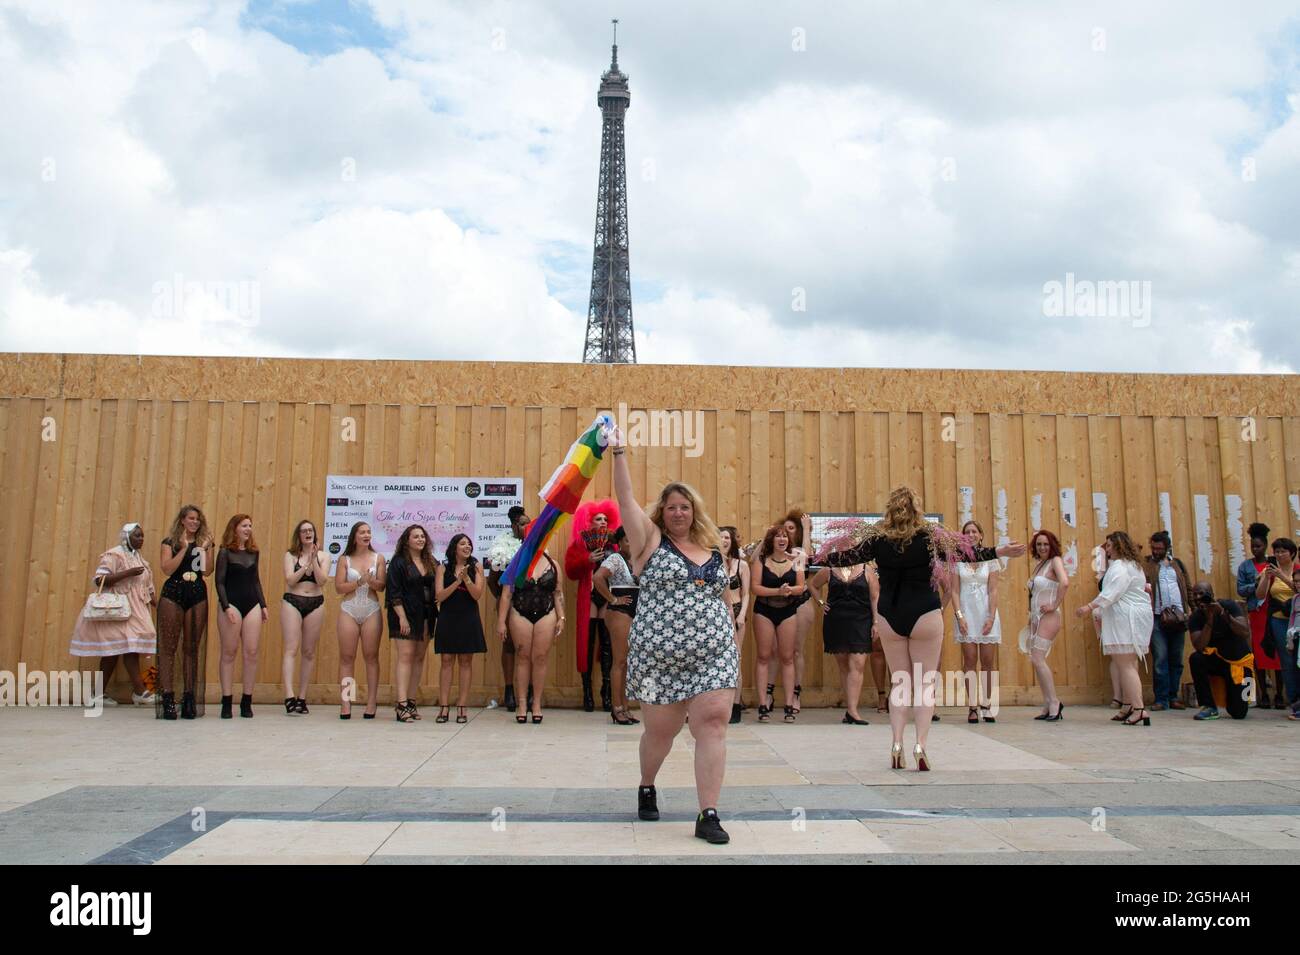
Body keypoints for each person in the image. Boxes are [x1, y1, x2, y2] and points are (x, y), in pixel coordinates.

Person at [820, 487, 1023, 770]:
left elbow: (845, 558)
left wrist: (805, 559)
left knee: (900, 682)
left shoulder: (877, 539)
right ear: (917, 508)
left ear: (890, 509)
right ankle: (920, 745)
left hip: (890, 615)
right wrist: (999, 550)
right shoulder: (929, 537)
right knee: (925, 684)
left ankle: (896, 743)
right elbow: (964, 554)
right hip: (925, 613)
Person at [612, 429, 737, 845]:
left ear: (694, 511)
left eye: (685, 507)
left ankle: (708, 813)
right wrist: (617, 452)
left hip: (713, 656)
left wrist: (731, 638)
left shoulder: (714, 551)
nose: (678, 513)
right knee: (660, 734)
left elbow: (724, 599)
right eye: (671, 507)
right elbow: (625, 501)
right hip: (659, 657)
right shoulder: (648, 543)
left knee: (713, 725)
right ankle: (647, 783)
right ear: (661, 513)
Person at [70, 523, 157, 707]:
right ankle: (136, 692)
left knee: (126, 649)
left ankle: (107, 693)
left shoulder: (141, 560)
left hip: (136, 609)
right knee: (117, 651)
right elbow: (100, 579)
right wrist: (127, 573)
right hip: (118, 609)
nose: (141, 539)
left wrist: (160, 605)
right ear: (126, 537)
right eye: (137, 536)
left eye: (142, 536)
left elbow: (147, 589)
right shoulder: (114, 555)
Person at [1075, 531, 1154, 726]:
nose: (1106, 549)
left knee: (1125, 664)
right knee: (1127, 663)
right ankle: (1128, 705)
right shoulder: (1132, 565)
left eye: (1109, 546)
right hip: (1132, 616)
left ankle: (1138, 708)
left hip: (1127, 618)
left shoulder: (1120, 567)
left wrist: (1089, 607)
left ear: (1118, 546)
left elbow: (1112, 592)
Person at [496, 536, 564, 724]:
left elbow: (557, 593)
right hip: (520, 612)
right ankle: (522, 704)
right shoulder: (516, 563)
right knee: (523, 656)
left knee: (540, 658)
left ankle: (537, 704)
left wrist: (562, 617)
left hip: (547, 613)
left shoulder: (553, 564)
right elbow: (506, 595)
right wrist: (501, 622)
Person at [156, 505, 213, 719]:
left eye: (198, 519)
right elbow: (167, 568)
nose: (195, 522)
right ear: (182, 520)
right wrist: (184, 548)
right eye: (191, 518)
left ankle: (189, 697)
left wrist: (206, 548)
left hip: (197, 591)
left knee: (191, 648)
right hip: (174, 591)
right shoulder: (169, 542)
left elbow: (207, 570)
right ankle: (168, 697)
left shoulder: (204, 543)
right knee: (169, 647)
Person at [808, 554, 879, 724]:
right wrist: (820, 602)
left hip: (862, 620)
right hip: (836, 620)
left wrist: (876, 622)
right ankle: (850, 709)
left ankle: (853, 711)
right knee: (843, 665)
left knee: (858, 663)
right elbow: (812, 585)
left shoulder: (867, 570)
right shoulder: (829, 570)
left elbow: (875, 597)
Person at [565, 500, 620, 712]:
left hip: (607, 595)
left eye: (606, 519)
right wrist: (587, 559)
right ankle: (586, 691)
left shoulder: (614, 545)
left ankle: (606, 691)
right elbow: (570, 571)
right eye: (598, 519)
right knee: (586, 644)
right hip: (588, 595)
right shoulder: (580, 544)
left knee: (607, 644)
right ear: (589, 523)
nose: (603, 522)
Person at [750, 525, 805, 723]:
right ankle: (763, 704)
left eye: (785, 536)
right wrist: (777, 592)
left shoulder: (796, 560)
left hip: (788, 610)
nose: (782, 539)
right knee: (764, 656)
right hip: (764, 609)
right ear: (771, 540)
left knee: (787, 657)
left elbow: (801, 586)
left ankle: (789, 704)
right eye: (778, 536)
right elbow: (755, 588)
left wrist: (789, 590)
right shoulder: (761, 560)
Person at [215, 514, 268, 719]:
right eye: (244, 525)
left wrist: (263, 605)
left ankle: (247, 699)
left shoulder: (254, 553)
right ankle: (227, 700)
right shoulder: (224, 552)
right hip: (231, 603)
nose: (248, 529)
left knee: (251, 652)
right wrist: (226, 606)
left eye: (250, 526)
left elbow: (256, 580)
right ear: (234, 528)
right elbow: (219, 582)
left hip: (252, 603)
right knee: (229, 652)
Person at [950, 520, 1001, 723]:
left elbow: (993, 589)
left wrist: (991, 616)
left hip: (986, 613)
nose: (970, 534)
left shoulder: (990, 559)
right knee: (970, 660)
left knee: (988, 662)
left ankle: (987, 704)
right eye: (967, 532)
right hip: (966, 613)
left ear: (981, 534)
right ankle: (972, 706)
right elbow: (954, 590)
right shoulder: (957, 559)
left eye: (974, 531)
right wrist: (959, 616)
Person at [433, 533, 487, 724]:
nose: (467, 547)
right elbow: (439, 596)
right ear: (454, 547)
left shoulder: (477, 567)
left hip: (468, 616)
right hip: (448, 616)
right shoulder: (442, 568)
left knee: (466, 660)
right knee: (446, 660)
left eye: (469, 544)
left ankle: (462, 706)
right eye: (462, 544)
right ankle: (444, 706)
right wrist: (457, 581)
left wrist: (467, 579)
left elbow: (477, 595)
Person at [334, 521, 385, 719]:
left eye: (368, 532)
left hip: (371, 608)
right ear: (354, 536)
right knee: (347, 657)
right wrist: (358, 582)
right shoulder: (344, 559)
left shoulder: (378, 558)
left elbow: (381, 586)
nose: (366, 535)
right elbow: (339, 587)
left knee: (371, 657)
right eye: (362, 532)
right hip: (349, 609)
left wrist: (371, 581)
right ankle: (346, 702)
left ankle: (371, 703)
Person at [386, 525, 437, 722]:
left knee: (419, 657)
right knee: (406, 656)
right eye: (415, 536)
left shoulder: (430, 561)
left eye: (423, 536)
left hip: (425, 615)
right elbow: (393, 592)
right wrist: (402, 617)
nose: (420, 539)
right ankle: (401, 704)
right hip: (404, 615)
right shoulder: (398, 562)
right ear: (406, 540)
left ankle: (411, 700)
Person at [1019, 530, 1069, 721]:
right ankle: (1048, 702)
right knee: (1035, 659)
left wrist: (1055, 604)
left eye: (1046, 544)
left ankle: (1055, 702)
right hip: (1036, 617)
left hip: (1049, 616)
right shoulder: (1040, 564)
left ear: (1052, 545)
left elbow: (1065, 583)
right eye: (1039, 544)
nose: (1042, 547)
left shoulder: (1055, 560)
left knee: (1038, 658)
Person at [1185, 582, 1253, 721]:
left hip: (1239, 663)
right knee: (1196, 658)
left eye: (1202, 594)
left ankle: (1234, 698)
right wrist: (1209, 620)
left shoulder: (1229, 606)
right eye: (1195, 594)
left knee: (1239, 713)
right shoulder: (1195, 617)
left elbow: (1245, 632)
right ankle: (1208, 706)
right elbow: (1199, 646)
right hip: (1218, 661)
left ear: (1211, 594)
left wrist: (1222, 614)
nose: (1198, 598)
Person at [281, 519, 328, 715]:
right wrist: (305, 564)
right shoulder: (290, 556)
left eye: (310, 530)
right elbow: (290, 580)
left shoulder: (324, 556)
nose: (308, 533)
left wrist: (314, 560)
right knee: (291, 648)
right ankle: (289, 695)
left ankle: (302, 696)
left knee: (308, 652)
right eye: (303, 531)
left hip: (315, 602)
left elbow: (322, 580)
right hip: (293, 600)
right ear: (298, 536)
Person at [592, 527, 639, 725]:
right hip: (620, 612)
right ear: (619, 542)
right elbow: (597, 578)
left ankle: (625, 706)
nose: (631, 544)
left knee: (627, 661)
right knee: (619, 661)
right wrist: (613, 598)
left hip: (636, 610)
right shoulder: (615, 559)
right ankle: (617, 708)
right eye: (628, 540)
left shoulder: (638, 560)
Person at [487, 506, 530, 712]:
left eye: (529, 523)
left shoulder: (535, 544)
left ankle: (528, 690)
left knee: (529, 647)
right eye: (523, 524)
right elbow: (493, 579)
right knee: (510, 646)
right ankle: (509, 690)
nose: (527, 526)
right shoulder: (501, 546)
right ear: (514, 526)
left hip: (532, 601)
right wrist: (504, 598)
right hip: (511, 601)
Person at [1143, 530, 1192, 711]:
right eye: (1154, 548)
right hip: (1157, 616)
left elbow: (1187, 586)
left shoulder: (1177, 564)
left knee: (1176, 658)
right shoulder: (1147, 564)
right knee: (1160, 658)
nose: (1156, 551)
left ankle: (1173, 696)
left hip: (1178, 616)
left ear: (1167, 548)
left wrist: (1191, 609)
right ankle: (1161, 698)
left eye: (1159, 548)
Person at [1237, 523, 1281, 708]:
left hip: (1275, 612)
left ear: (1265, 545)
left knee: (1277, 654)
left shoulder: (1275, 565)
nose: (1255, 549)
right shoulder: (1246, 567)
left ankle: (1279, 694)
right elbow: (1240, 589)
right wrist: (1255, 585)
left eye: (1259, 546)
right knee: (1259, 654)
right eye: (1253, 546)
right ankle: (1263, 694)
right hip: (1256, 613)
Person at [1257, 537, 1298, 710]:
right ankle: (1294, 699)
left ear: (1292, 553)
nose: (1279, 555)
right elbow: (1260, 595)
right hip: (1279, 620)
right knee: (1286, 661)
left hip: (1297, 619)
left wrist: (1283, 577)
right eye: (1277, 552)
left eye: (1283, 551)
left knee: (1298, 659)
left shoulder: (1297, 570)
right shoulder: (1270, 571)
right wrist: (1267, 578)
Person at [782, 509, 815, 713]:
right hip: (780, 602)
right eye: (784, 529)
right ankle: (770, 693)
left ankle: (796, 692)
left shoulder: (803, 548)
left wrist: (806, 529)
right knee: (779, 651)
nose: (787, 533)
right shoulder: (778, 549)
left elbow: (806, 558)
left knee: (796, 650)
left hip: (802, 602)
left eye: (791, 529)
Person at [718, 526, 750, 723]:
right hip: (719, 615)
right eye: (720, 537)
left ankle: (736, 705)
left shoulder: (742, 565)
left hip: (737, 611)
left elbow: (747, 593)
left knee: (736, 659)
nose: (724, 540)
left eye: (727, 537)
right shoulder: (712, 564)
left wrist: (742, 615)